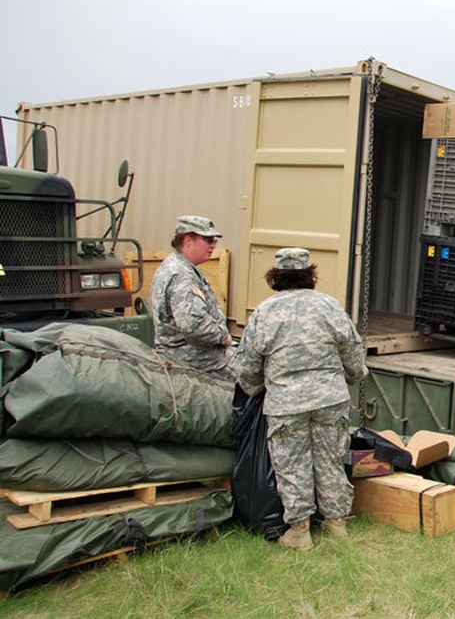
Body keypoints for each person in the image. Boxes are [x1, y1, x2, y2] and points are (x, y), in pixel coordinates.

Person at [237, 247, 369, 551]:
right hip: (330, 400)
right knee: (331, 461)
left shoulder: (265, 312)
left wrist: (258, 388)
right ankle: (337, 525)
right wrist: (348, 379)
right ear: (311, 275)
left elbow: (247, 370)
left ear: (275, 277)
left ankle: (299, 531)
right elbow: (353, 355)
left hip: (286, 403)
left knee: (292, 465)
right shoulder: (330, 306)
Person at [149, 215, 236, 380]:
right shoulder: (182, 275)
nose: (213, 246)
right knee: (251, 378)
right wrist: (223, 337)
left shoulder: (176, 265)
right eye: (208, 240)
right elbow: (193, 326)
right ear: (188, 240)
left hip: (194, 353)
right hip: (194, 359)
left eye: (214, 241)